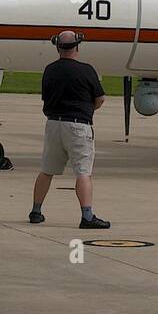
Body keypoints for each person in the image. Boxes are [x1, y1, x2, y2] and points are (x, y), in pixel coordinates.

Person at [30, 30, 110, 228]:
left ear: (57, 46)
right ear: (77, 46)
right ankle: (87, 216)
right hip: (78, 125)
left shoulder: (50, 70)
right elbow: (99, 99)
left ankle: (36, 211)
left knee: (47, 170)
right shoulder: (87, 70)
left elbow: (45, 97)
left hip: (53, 123)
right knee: (83, 172)